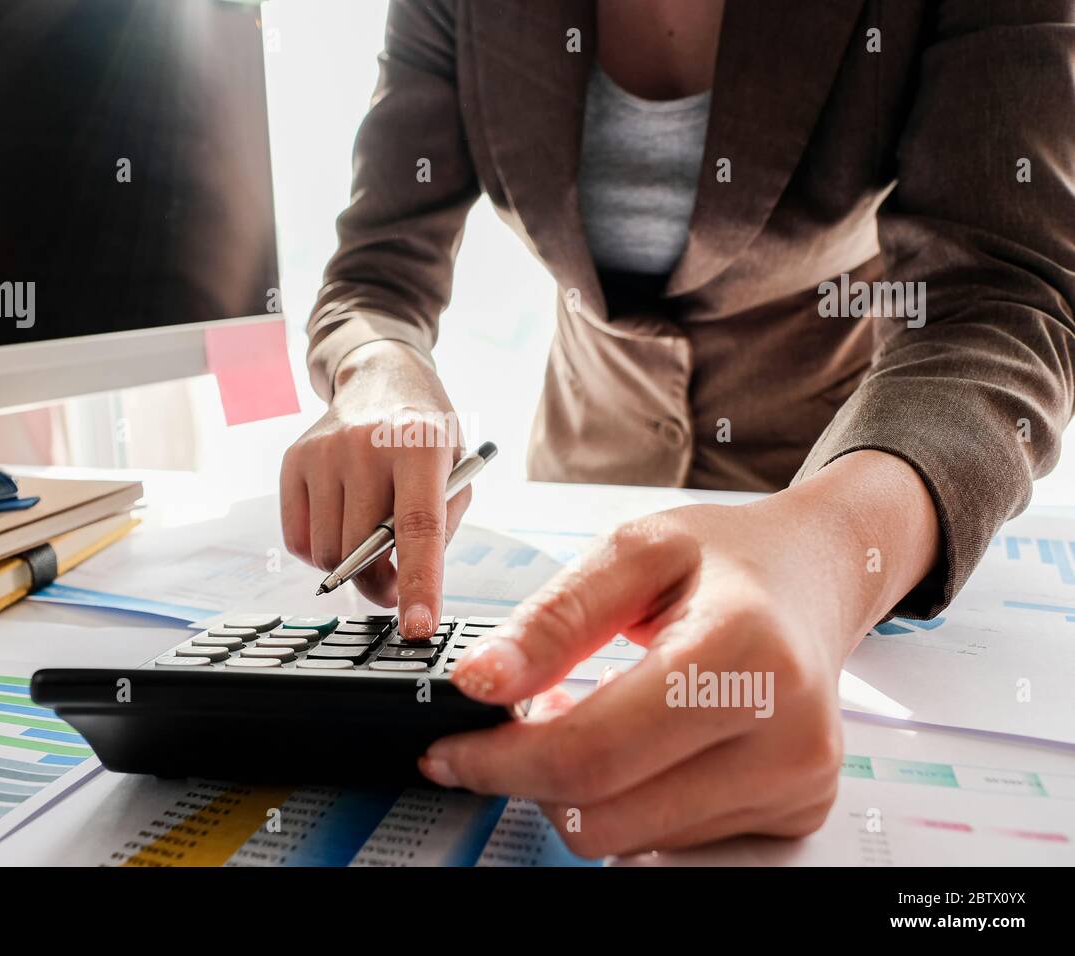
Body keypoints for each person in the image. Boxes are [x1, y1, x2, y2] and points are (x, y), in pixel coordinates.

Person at [280, 0, 1075, 855]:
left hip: (838, 483)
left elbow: (1003, 300)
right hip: (584, 471)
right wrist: (377, 368)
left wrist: (832, 549)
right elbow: (374, 272)